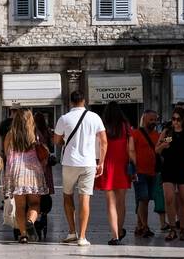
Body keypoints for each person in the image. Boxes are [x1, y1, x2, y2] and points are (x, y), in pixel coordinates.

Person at [52, 90, 107, 247]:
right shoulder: (94, 117)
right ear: (84, 101)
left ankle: (71, 232)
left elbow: (56, 140)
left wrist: (65, 143)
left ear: (71, 102)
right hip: (89, 163)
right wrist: (101, 162)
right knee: (85, 198)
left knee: (67, 196)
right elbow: (104, 141)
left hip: (70, 162)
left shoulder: (64, 118)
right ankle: (82, 237)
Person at [2, 109, 49, 244]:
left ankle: (23, 235)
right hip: (33, 172)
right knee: (35, 204)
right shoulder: (34, 134)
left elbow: (6, 154)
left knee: (20, 206)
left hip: (16, 172)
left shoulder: (10, 135)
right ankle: (30, 221)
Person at [155, 110, 184, 240]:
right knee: (169, 198)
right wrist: (164, 145)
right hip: (168, 168)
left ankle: (183, 228)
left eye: (178, 119)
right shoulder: (168, 132)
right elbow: (157, 149)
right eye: (173, 119)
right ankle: (172, 228)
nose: (175, 122)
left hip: (183, 168)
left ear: (183, 120)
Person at [94, 103, 133, 244]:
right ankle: (120, 229)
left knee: (110, 202)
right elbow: (131, 148)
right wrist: (134, 164)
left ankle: (115, 235)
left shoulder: (103, 125)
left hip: (107, 165)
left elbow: (98, 146)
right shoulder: (125, 126)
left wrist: (98, 163)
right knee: (121, 202)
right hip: (122, 166)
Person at [128, 110, 160, 237]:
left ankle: (139, 225)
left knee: (144, 200)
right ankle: (145, 226)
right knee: (143, 198)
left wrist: (171, 133)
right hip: (139, 172)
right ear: (144, 120)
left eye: (155, 120)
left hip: (153, 172)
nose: (153, 122)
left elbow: (167, 140)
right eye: (150, 119)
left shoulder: (157, 135)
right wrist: (136, 166)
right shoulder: (135, 133)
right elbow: (130, 150)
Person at [32, 111, 57, 239]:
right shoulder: (47, 131)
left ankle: (37, 216)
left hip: (36, 165)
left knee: (37, 192)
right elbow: (52, 148)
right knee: (45, 191)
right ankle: (44, 214)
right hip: (46, 166)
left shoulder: (34, 132)